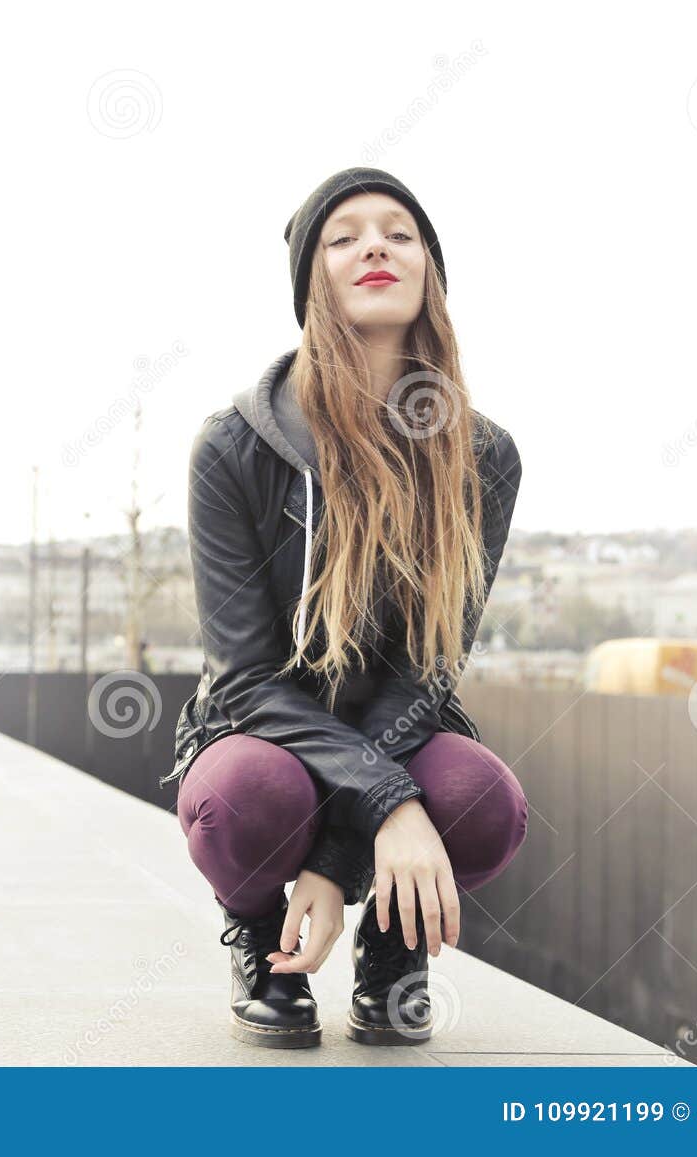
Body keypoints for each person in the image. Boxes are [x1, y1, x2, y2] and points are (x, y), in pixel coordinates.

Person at [161, 167, 529, 1048]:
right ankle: (261, 938)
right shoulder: (233, 447)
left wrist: (338, 860)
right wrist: (390, 806)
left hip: (398, 722)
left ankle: (394, 947)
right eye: (345, 236)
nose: (375, 245)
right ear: (312, 281)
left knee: (483, 800)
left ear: (428, 274)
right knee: (243, 796)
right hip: (264, 735)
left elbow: (429, 671)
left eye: (400, 234)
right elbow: (245, 679)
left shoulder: (483, 456)